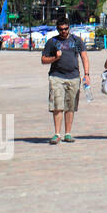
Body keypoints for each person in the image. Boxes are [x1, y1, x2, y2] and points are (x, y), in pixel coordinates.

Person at [40, 16, 91, 144]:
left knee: (70, 105)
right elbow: (43, 60)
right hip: (57, 76)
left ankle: (68, 133)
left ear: (69, 28)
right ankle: (57, 133)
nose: (63, 31)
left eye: (65, 29)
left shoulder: (77, 40)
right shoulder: (52, 42)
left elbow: (84, 57)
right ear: (57, 29)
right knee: (57, 105)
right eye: (61, 29)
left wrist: (87, 74)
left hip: (73, 76)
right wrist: (55, 58)